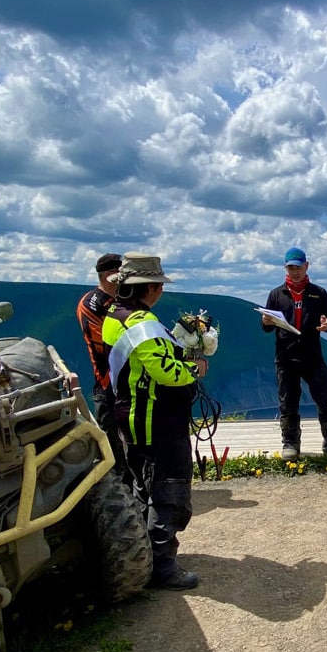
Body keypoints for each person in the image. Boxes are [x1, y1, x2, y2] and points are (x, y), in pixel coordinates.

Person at [102, 253, 206, 590]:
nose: (160, 290)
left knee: (142, 485)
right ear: (149, 288)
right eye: (158, 285)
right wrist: (195, 369)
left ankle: (144, 553)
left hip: (128, 415)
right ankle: (162, 565)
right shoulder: (140, 323)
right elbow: (166, 373)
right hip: (155, 420)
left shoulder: (114, 316)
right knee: (169, 489)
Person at [262, 247, 327, 461]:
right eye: (291, 268)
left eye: (298, 267)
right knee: (288, 402)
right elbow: (266, 327)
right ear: (286, 268)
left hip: (312, 356)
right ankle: (290, 444)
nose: (295, 272)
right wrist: (265, 321)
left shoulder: (318, 293)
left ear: (306, 266)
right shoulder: (276, 294)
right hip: (285, 358)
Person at [76, 253, 129, 484]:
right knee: (113, 445)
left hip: (126, 384)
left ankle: (133, 485)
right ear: (109, 275)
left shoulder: (121, 301)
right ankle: (119, 487)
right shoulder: (92, 303)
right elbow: (111, 346)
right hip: (108, 382)